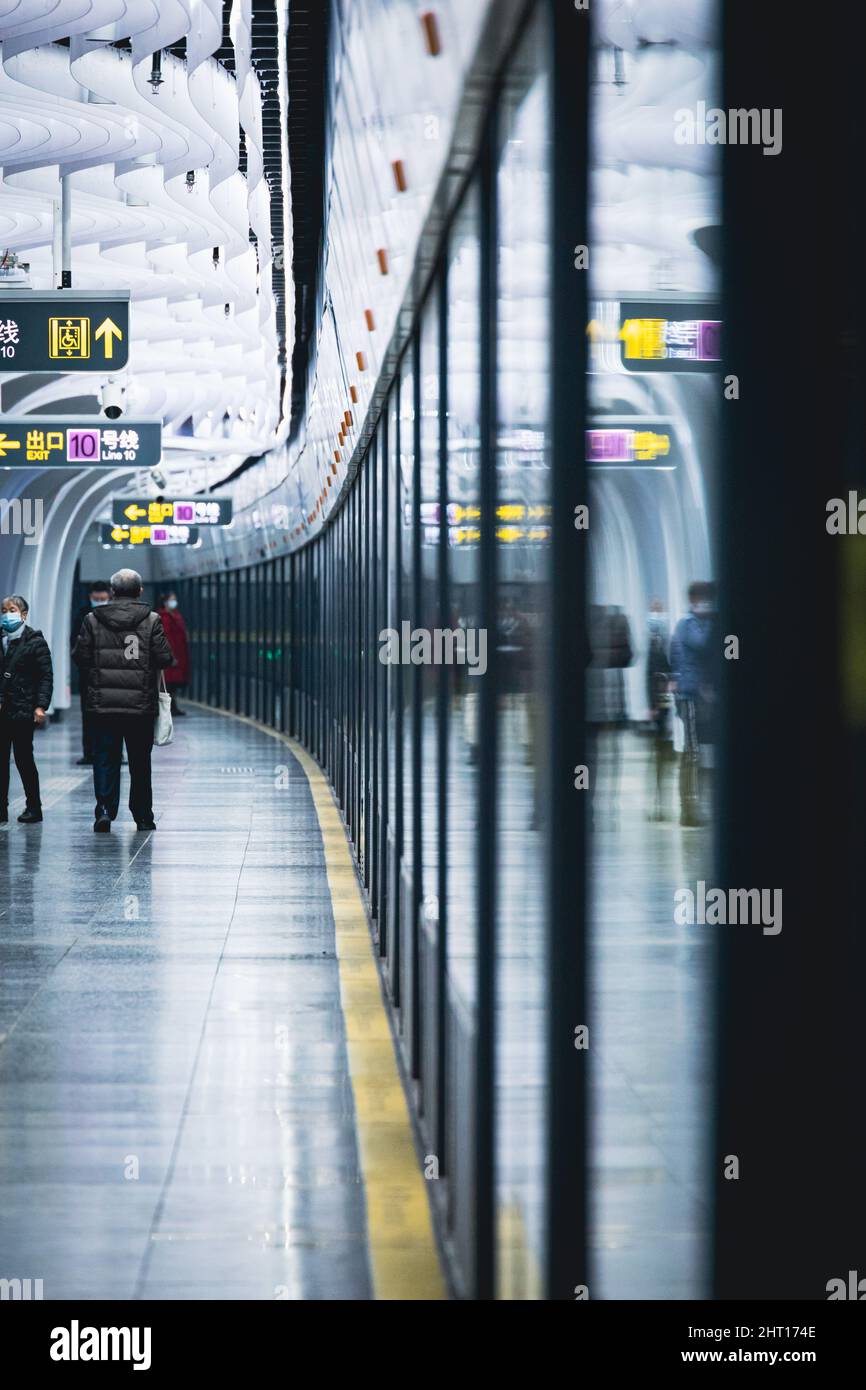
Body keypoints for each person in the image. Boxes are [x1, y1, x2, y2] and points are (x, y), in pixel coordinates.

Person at [72, 569, 173, 833]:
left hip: (102, 705)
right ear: (140, 591)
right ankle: (143, 816)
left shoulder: (92, 620)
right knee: (140, 762)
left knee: (105, 758)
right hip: (140, 705)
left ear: (112, 592)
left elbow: (80, 657)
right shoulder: (151, 620)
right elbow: (165, 658)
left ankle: (104, 810)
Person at [0, 595, 53, 825]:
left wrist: (41, 706)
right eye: (3, 610)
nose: (6, 614)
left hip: (22, 710)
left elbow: (45, 677)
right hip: (2, 710)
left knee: (24, 759)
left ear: (23, 614)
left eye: (11, 609)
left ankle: (34, 806)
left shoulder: (35, 642)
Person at [670, 580, 717, 828]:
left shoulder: (698, 623)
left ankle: (694, 805)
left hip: (698, 694)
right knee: (692, 751)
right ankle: (688, 807)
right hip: (688, 695)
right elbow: (703, 645)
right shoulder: (687, 624)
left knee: (696, 752)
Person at [70, 581, 111, 764]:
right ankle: (89, 753)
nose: (100, 602)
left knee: (112, 717)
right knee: (88, 716)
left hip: (111, 676)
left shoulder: (114, 615)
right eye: (96, 599)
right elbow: (75, 644)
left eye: (103, 599)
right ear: (90, 597)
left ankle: (114, 753)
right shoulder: (82, 615)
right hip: (89, 675)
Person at [646, 597, 674, 820]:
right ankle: (656, 801)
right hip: (658, 702)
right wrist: (652, 704)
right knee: (658, 750)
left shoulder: (663, 641)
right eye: (655, 609)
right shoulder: (655, 644)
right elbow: (650, 676)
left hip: (663, 701)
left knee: (661, 749)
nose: (657, 613)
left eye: (659, 608)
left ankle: (659, 801)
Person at [157, 591, 190, 715]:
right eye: (171, 599)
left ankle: (173, 706)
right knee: (169, 682)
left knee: (174, 683)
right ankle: (170, 707)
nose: (174, 602)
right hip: (172, 653)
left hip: (179, 653)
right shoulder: (165, 617)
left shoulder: (175, 615)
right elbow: (166, 636)